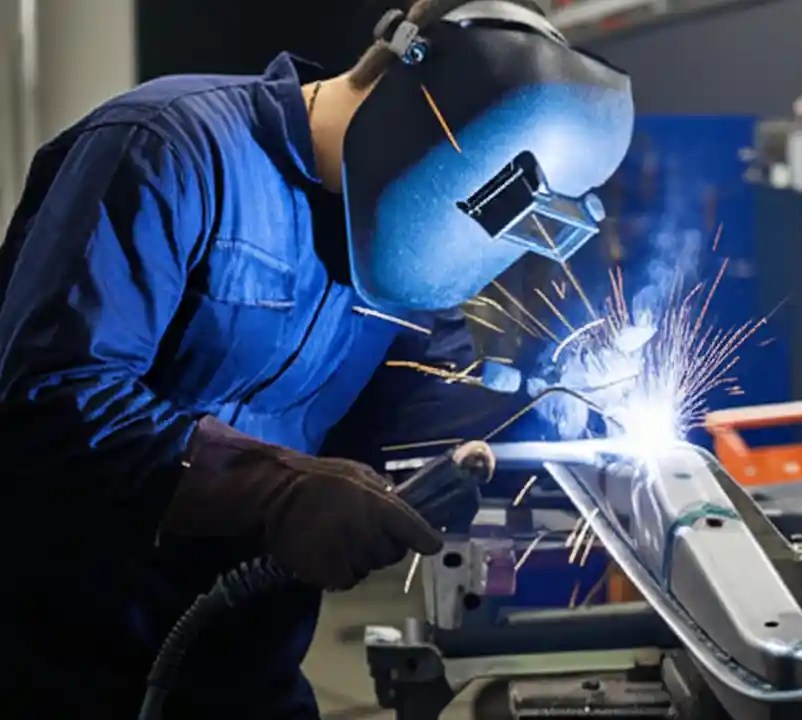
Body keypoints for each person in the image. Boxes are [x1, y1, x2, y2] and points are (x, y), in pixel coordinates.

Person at [0, 0, 634, 717]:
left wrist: (541, 420)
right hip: (55, 669)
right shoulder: (170, 148)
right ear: (426, 110)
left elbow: (417, 415)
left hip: (247, 672)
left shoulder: (405, 258)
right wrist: (276, 489)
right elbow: (51, 397)